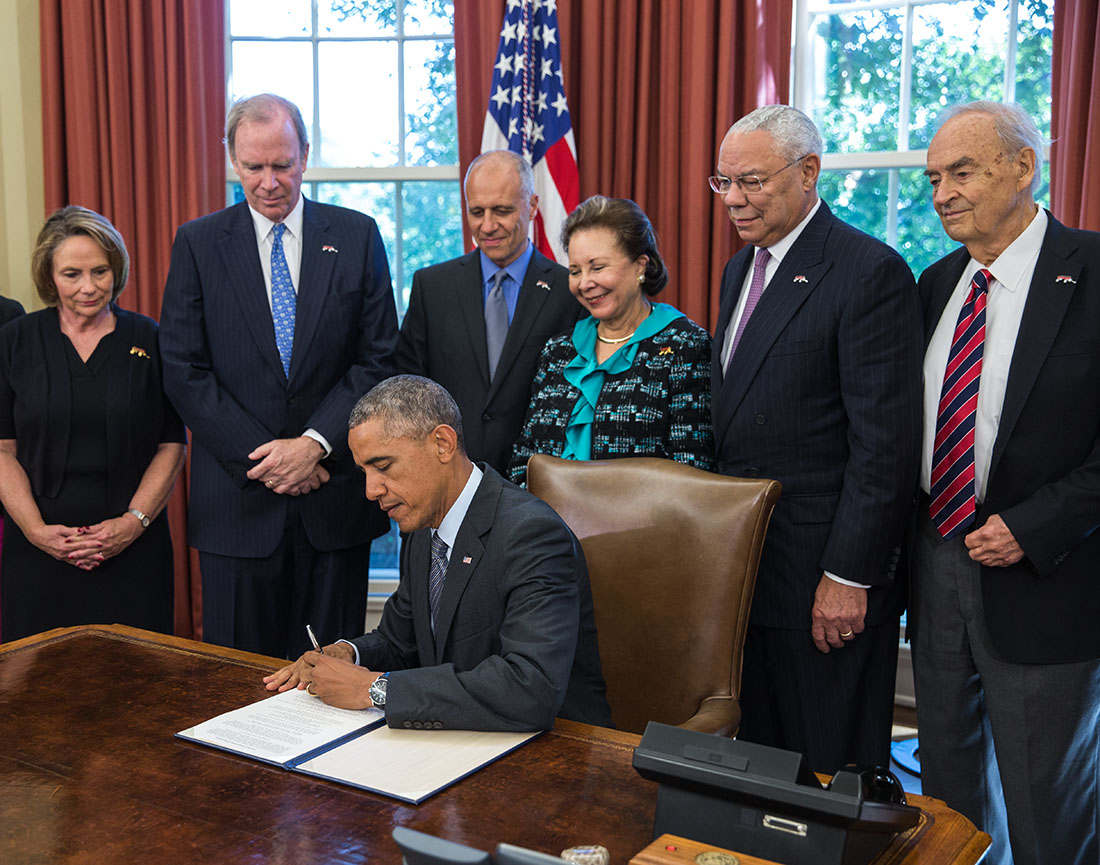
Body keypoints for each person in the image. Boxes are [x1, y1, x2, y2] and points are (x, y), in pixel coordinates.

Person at [912, 101, 1100, 865]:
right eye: (933, 179)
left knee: (1047, 810)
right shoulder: (934, 283)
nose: (942, 194)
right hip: (936, 566)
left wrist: (1035, 524)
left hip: (1046, 578)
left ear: (1024, 167)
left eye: (961, 172)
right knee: (948, 795)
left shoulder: (1093, 271)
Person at [710, 105, 922, 774]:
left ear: (808, 172)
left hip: (823, 582)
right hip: (750, 572)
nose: (733, 199)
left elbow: (885, 445)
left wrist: (848, 575)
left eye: (750, 181)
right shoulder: (739, 270)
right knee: (763, 772)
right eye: (723, 182)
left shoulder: (867, 270)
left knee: (830, 777)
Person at [159, 93, 398, 660]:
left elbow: (379, 359)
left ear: (305, 156)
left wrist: (313, 446)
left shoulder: (358, 235)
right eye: (254, 166)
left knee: (331, 678)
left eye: (282, 165)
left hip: (334, 501)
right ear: (232, 159)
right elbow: (184, 369)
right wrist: (270, 460)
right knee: (238, 684)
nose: (269, 182)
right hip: (237, 509)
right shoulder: (197, 243)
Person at [264, 375, 612, 732]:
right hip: (463, 739)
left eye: (383, 467)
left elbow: (530, 687)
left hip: (557, 748)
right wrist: (349, 654)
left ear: (442, 444)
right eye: (364, 471)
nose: (370, 490)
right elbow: (400, 642)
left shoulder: (532, 534)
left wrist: (373, 689)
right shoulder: (423, 527)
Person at [0, 206, 185, 641]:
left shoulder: (151, 339)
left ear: (116, 269)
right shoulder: (14, 340)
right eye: (72, 274)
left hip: (134, 547)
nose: (89, 287)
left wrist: (132, 523)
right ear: (49, 276)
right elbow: (2, 449)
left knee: (138, 675)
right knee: (37, 677)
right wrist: (37, 532)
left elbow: (171, 444)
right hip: (38, 550)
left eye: (100, 271)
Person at [396, 150, 580, 475]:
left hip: (538, 480)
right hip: (447, 477)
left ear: (532, 206)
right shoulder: (432, 287)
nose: (488, 226)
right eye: (477, 212)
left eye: (502, 211)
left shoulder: (569, 292)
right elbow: (408, 390)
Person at [508, 195, 714, 485]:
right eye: (575, 271)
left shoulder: (685, 345)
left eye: (598, 267)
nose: (584, 283)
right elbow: (524, 458)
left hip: (646, 515)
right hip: (545, 515)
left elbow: (692, 469)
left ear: (640, 266)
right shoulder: (558, 350)